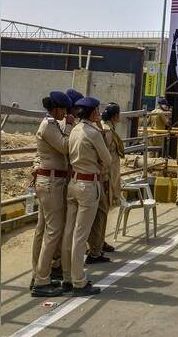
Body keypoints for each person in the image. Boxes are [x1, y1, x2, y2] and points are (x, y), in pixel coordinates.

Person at [61, 97, 109, 296]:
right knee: (80, 235)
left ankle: (67, 277)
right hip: (88, 184)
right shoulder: (93, 132)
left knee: (69, 233)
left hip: (73, 182)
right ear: (92, 113)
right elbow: (107, 158)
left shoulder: (75, 130)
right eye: (97, 111)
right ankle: (79, 281)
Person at [29, 91, 73, 297]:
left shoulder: (53, 124)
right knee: (53, 231)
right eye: (63, 109)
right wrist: (71, 126)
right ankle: (41, 279)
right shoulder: (48, 125)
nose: (65, 113)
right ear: (55, 108)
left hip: (53, 180)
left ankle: (39, 273)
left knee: (46, 228)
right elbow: (65, 146)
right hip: (51, 181)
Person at [87, 103, 123, 264]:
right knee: (100, 212)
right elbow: (104, 156)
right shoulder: (107, 132)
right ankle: (96, 245)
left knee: (103, 211)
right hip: (104, 176)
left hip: (108, 175)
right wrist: (105, 178)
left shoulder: (108, 129)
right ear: (115, 116)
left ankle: (99, 242)